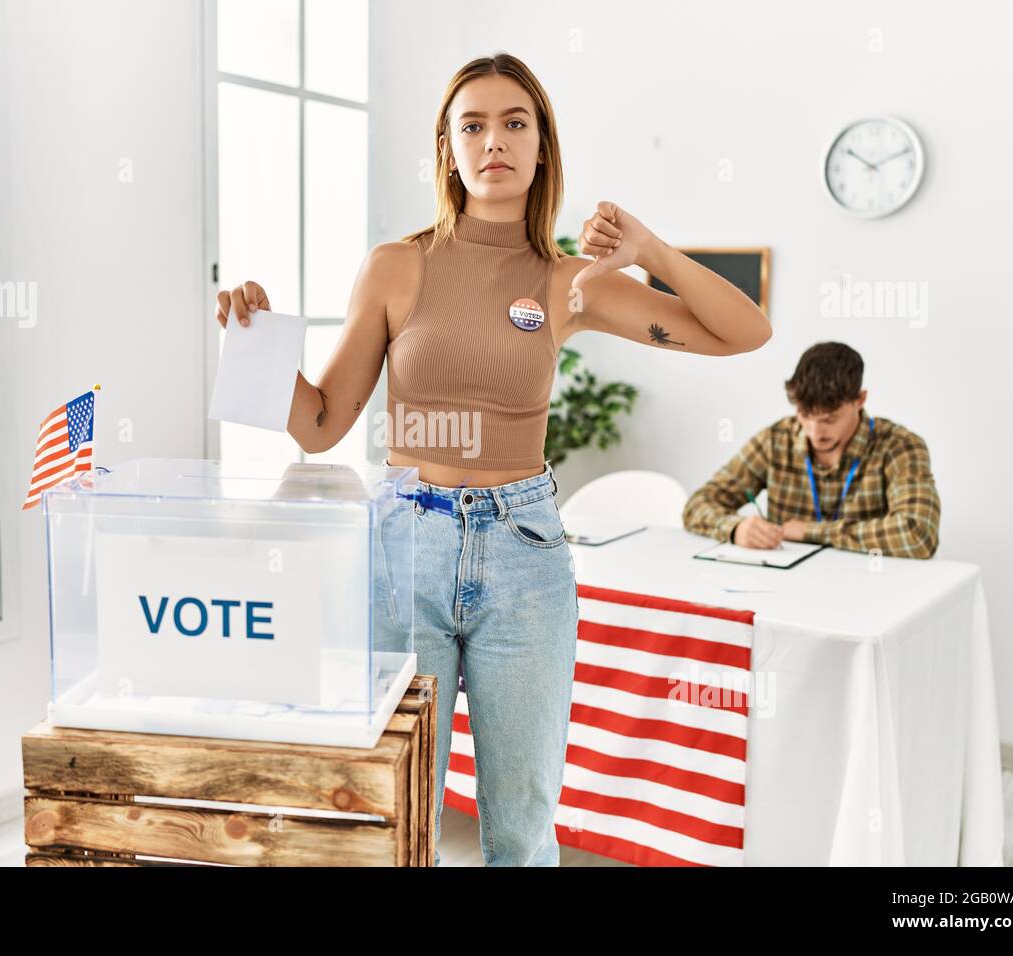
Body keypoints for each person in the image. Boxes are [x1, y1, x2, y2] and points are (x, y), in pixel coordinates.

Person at [215, 52, 771, 865]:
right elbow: (323, 423)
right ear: (447, 148)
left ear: (542, 146)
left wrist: (648, 247)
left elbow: (744, 331)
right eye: (472, 124)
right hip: (407, 546)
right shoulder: (397, 266)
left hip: (525, 554)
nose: (494, 140)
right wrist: (253, 341)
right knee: (400, 817)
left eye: (516, 123)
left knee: (519, 824)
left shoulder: (569, 281)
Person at [682, 341, 941, 559]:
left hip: (870, 592)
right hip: (784, 591)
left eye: (829, 419)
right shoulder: (775, 441)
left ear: (860, 400)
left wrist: (811, 531)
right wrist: (736, 528)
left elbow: (919, 534)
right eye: (805, 416)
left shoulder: (900, 446)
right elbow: (697, 505)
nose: (816, 433)